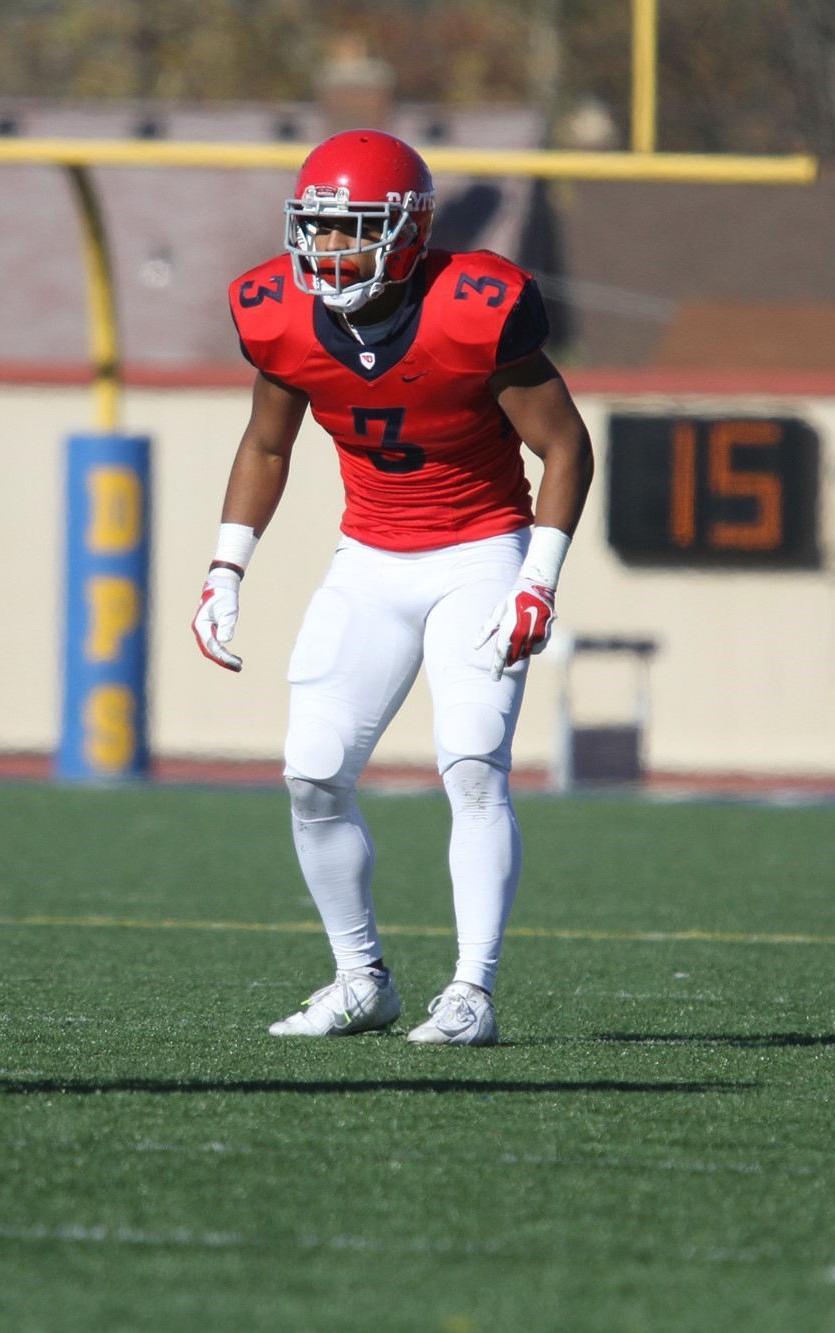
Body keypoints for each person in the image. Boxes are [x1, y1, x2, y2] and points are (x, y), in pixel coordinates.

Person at [193, 129, 594, 1046]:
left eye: (353, 227)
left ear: (410, 230)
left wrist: (538, 578)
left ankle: (471, 991)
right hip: (369, 558)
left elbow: (565, 444)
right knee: (311, 773)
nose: (330, 247)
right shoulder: (279, 313)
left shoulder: (473, 307)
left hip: (480, 550)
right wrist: (225, 567)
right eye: (318, 227)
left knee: (472, 762)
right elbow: (266, 445)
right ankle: (360, 978)